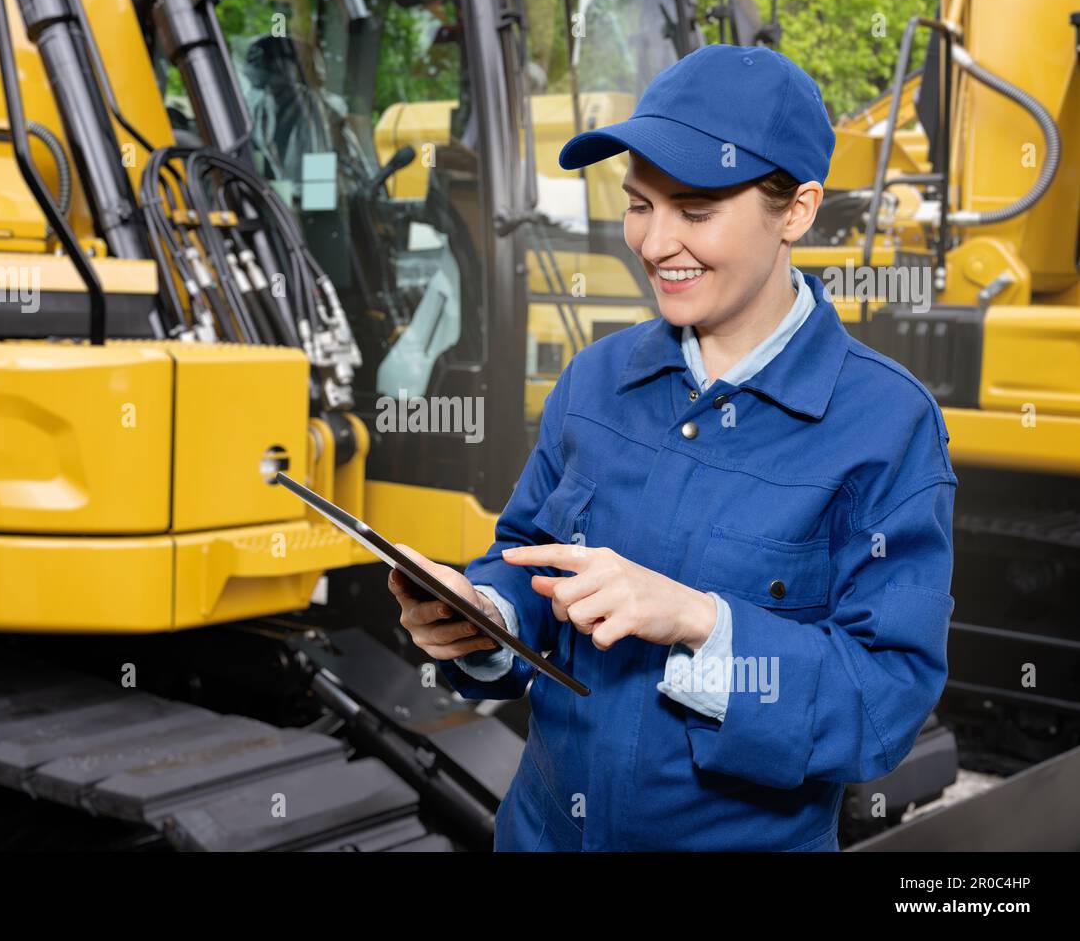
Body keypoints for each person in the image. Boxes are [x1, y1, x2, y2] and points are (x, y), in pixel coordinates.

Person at [389, 44, 957, 851]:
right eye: (639, 204)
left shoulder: (884, 424)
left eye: (694, 211)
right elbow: (522, 557)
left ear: (796, 210)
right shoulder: (595, 381)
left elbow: (885, 702)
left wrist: (698, 621)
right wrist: (484, 617)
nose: (654, 244)